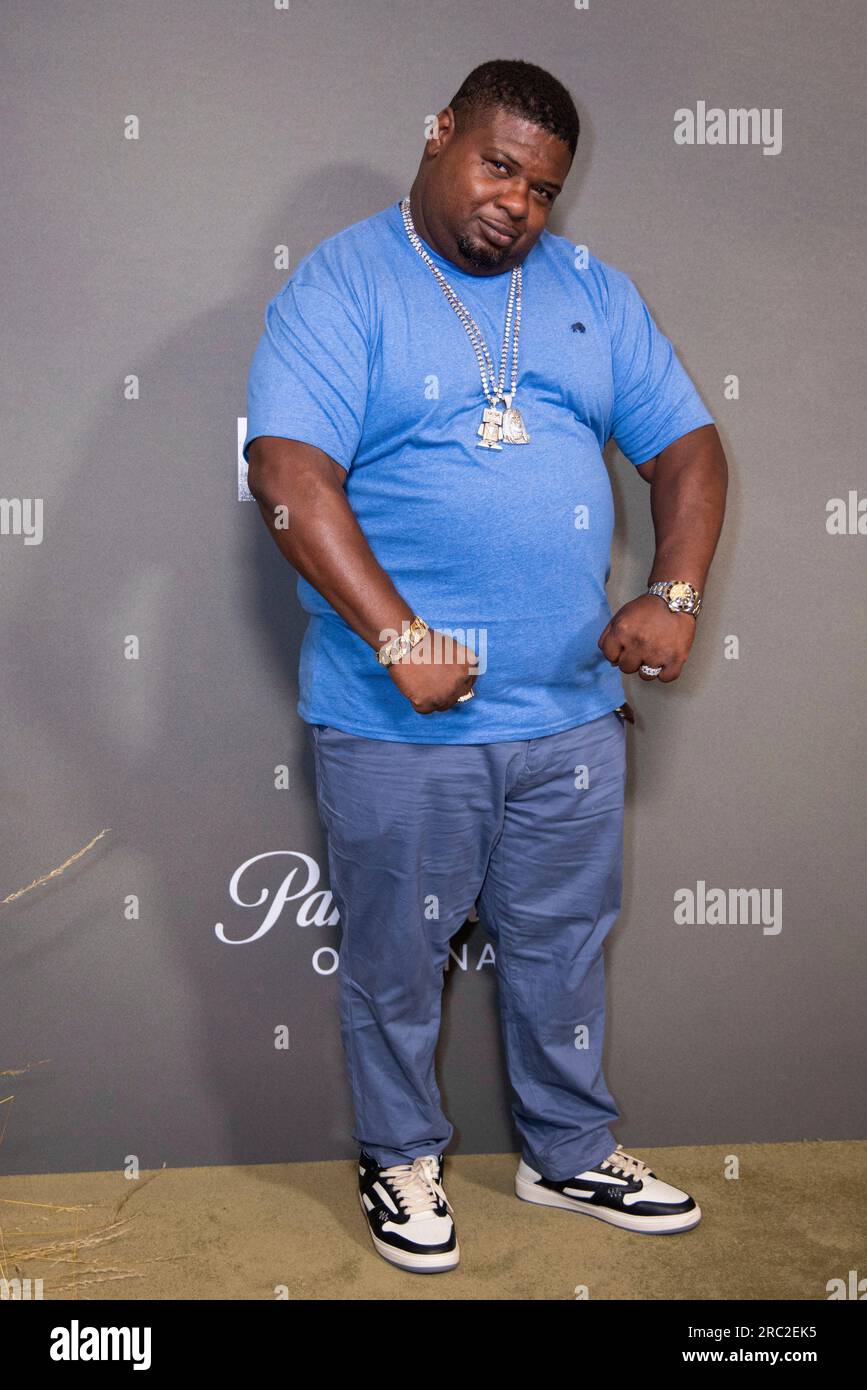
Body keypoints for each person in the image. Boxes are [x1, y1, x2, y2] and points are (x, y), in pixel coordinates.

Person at [243, 58, 727, 1275]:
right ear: (440, 133)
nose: (517, 202)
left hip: (569, 713)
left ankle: (567, 1152)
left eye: (544, 187)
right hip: (396, 721)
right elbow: (288, 475)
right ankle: (400, 1155)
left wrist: (672, 592)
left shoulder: (592, 294)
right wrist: (400, 637)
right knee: (398, 961)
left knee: (563, 946)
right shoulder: (343, 285)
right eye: (498, 165)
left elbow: (691, 449)